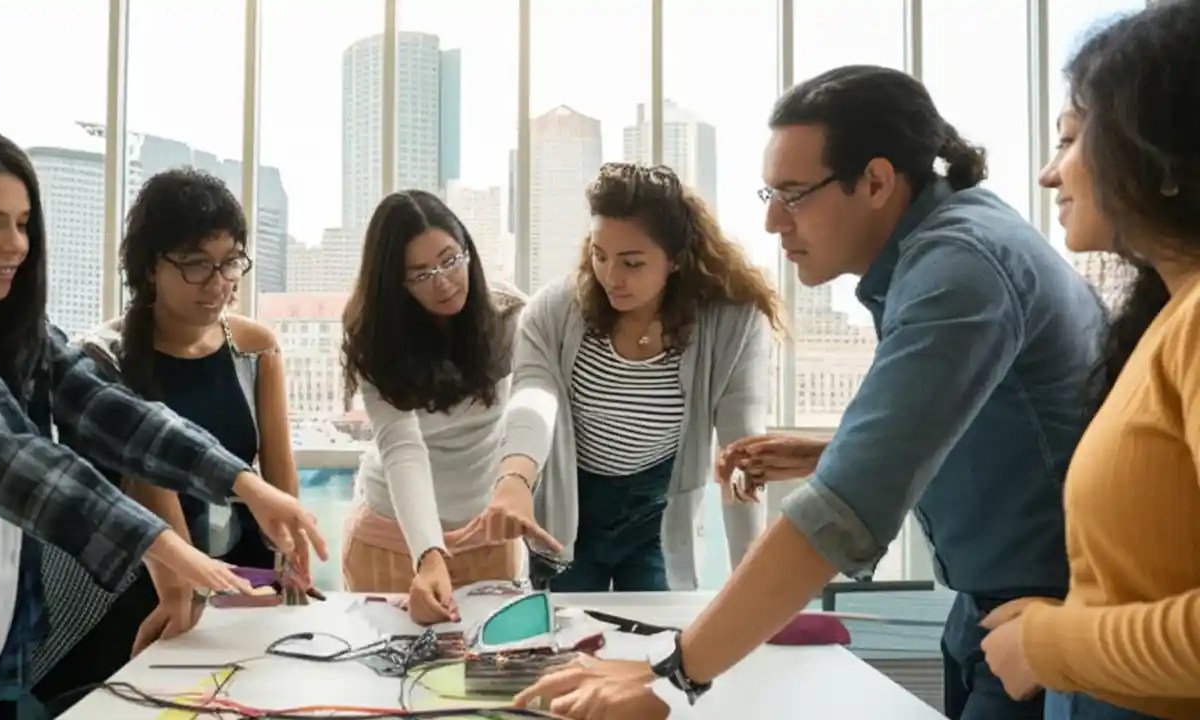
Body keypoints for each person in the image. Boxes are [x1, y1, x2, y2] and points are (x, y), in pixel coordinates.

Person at [514, 66, 1104, 719]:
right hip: (997, 605)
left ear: (877, 182)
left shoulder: (960, 268)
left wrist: (671, 675)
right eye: (770, 192)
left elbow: (846, 509)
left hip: (1054, 616)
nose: (771, 221)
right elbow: (985, 426)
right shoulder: (953, 244)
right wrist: (830, 450)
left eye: (792, 194)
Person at [0, 121, 325, 720]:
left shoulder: (14, 332)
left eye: (24, 224)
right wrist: (166, 548)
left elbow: (116, 412)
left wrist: (245, 484)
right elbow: (13, 458)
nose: (16, 246)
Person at [982, 5, 1200, 719]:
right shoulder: (1167, 319)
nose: (1050, 175)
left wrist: (1053, 643)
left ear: (1163, 156)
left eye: (1071, 138)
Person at [30, 168, 303, 710]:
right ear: (152, 265)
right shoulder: (102, 356)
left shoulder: (254, 346)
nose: (219, 282)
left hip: (234, 578)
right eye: (197, 263)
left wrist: (289, 566)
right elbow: (152, 486)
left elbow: (279, 479)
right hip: (132, 587)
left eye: (230, 262)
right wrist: (192, 589)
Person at [456, 162, 784, 594]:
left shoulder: (733, 323)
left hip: (657, 517)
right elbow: (533, 398)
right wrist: (514, 479)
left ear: (675, 260)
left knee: (657, 645)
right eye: (600, 255)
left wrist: (752, 582)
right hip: (572, 513)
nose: (611, 277)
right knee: (568, 641)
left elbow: (742, 450)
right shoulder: (554, 310)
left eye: (632, 262)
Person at [340, 190, 561, 624]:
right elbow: (401, 446)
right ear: (394, 284)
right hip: (392, 539)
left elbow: (536, 401)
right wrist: (427, 553)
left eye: (449, 259)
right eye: (419, 274)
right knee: (386, 674)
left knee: (489, 674)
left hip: (484, 533)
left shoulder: (509, 315)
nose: (442, 281)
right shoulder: (375, 336)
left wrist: (518, 481)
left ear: (468, 250)